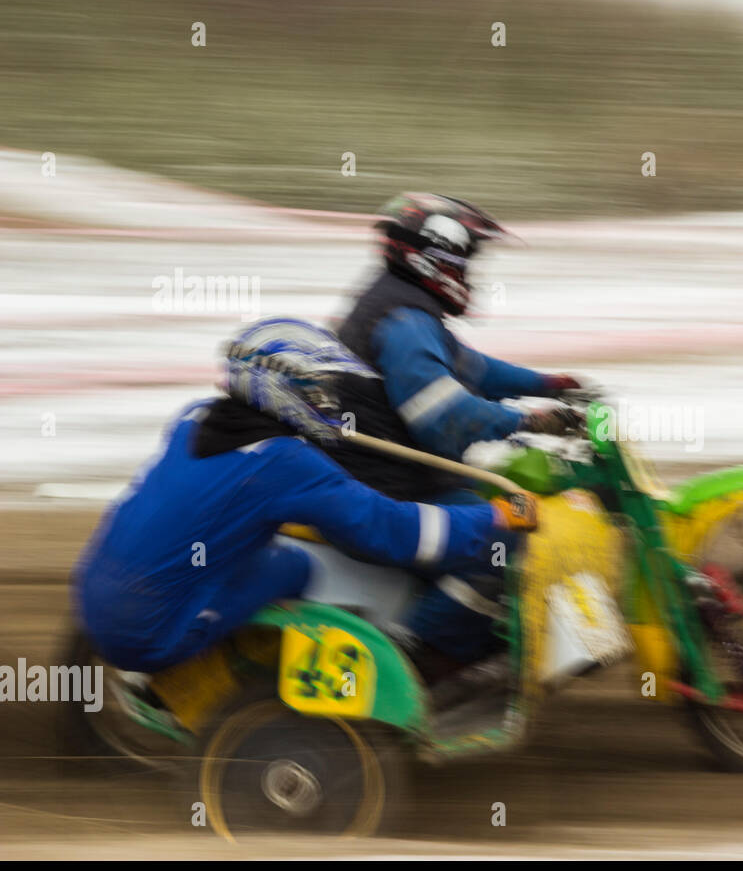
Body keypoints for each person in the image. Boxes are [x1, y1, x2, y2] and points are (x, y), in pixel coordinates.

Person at [71, 318, 536, 674]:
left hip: (93, 592)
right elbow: (390, 531)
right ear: (279, 392)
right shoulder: (282, 464)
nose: (327, 400)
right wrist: (495, 519)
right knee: (297, 565)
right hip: (150, 636)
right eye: (314, 389)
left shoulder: (193, 418)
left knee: (263, 545)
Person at [330, 193, 589, 666]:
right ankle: (415, 655)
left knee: (507, 490)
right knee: (516, 533)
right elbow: (446, 419)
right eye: (466, 261)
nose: (469, 274)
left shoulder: (402, 305)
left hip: (391, 476)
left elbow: (472, 368)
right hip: (390, 490)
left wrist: (549, 384)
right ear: (436, 259)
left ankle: (481, 641)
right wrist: (532, 419)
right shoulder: (404, 320)